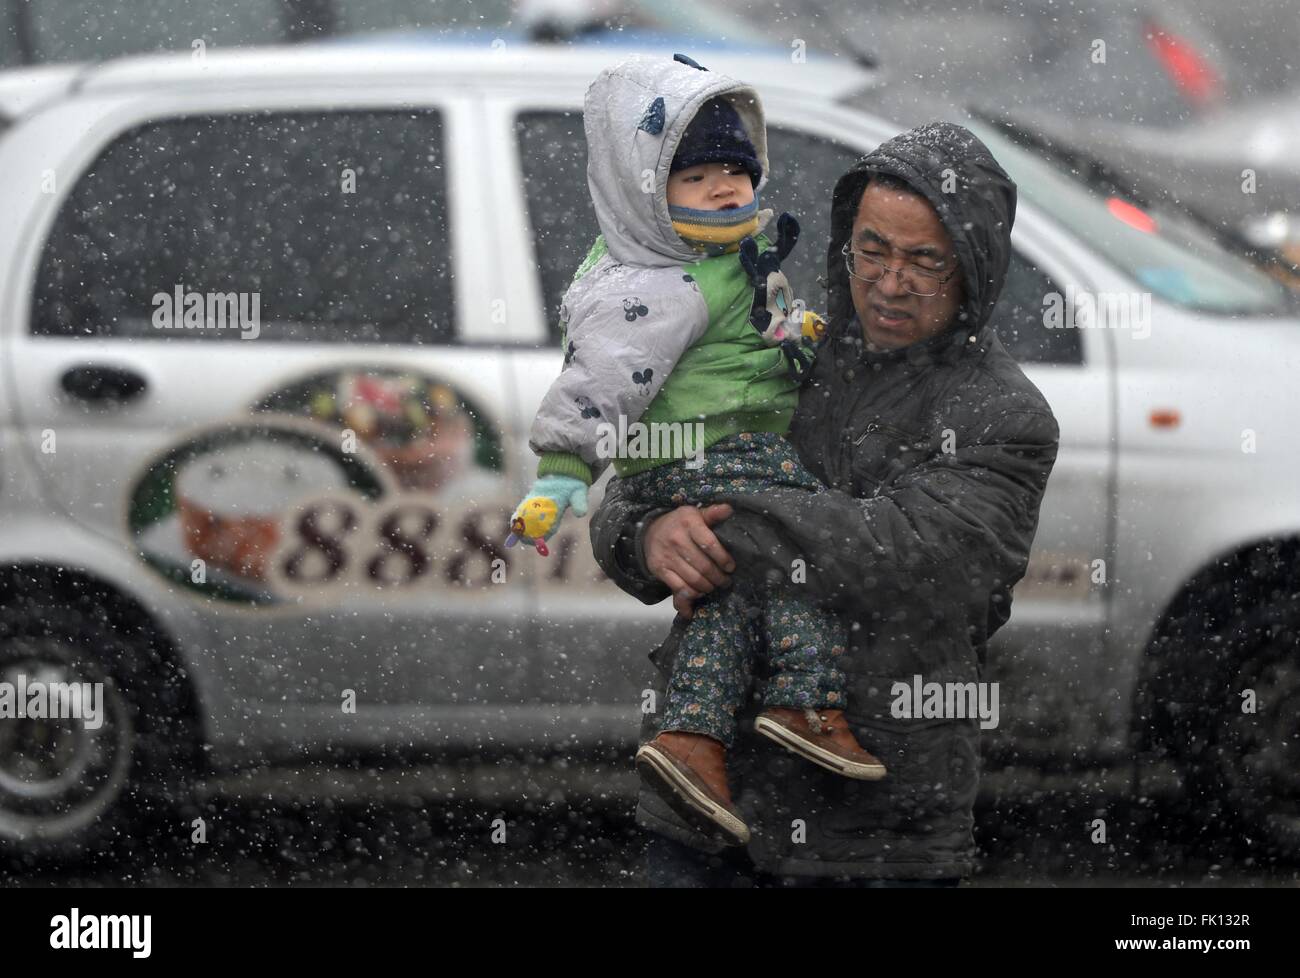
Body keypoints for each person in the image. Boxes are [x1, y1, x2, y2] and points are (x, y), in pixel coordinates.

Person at [591, 121, 1061, 885]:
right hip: (707, 796)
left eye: (924, 261)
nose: (889, 281)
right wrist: (647, 535)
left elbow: (900, 558)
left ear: (973, 268)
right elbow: (639, 474)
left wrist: (719, 513)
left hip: (876, 827)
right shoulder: (784, 351)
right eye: (872, 250)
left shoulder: (1005, 418)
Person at [508, 54, 884, 846]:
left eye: (736, 171)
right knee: (810, 542)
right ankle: (805, 699)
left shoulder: (729, 259)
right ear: (645, 194)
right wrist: (564, 472)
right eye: (696, 176)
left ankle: (692, 739)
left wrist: (811, 342)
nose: (725, 188)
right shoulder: (658, 284)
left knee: (731, 589)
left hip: (720, 457)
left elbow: (777, 334)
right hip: (711, 454)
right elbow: (601, 380)